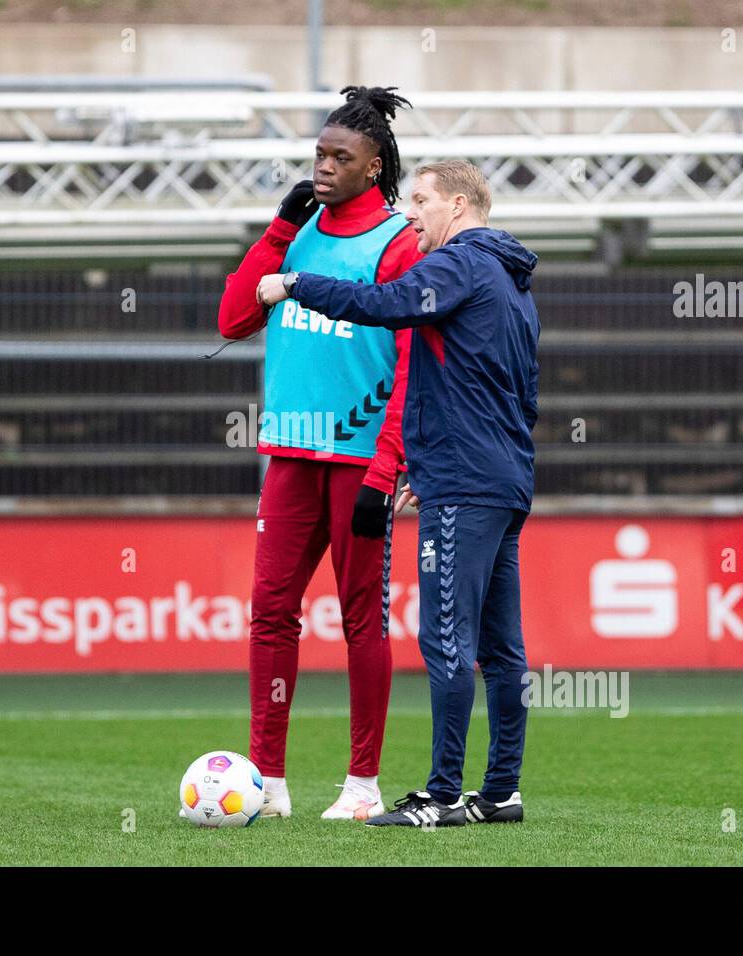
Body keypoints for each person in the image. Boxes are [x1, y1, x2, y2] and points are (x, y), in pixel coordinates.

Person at [256, 159, 540, 828]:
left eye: (420, 200)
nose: (409, 212)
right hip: (501, 479)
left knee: (446, 638)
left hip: (463, 484)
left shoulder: (457, 264)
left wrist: (294, 282)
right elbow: (518, 391)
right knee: (501, 648)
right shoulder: (510, 279)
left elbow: (384, 306)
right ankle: (500, 792)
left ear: (460, 207)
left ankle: (442, 796)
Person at [217, 86, 423, 821]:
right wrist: (277, 229)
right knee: (271, 611)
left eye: (343, 157)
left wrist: (386, 467)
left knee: (362, 618)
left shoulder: (398, 242)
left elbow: (409, 365)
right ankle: (266, 782)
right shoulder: (297, 234)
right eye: (320, 154)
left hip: (358, 464)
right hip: (290, 457)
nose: (325, 168)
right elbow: (236, 318)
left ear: (375, 169)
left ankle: (362, 785)